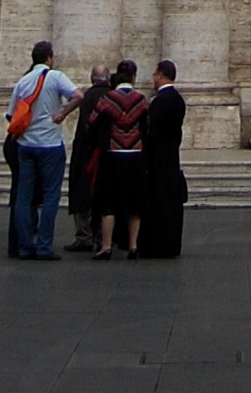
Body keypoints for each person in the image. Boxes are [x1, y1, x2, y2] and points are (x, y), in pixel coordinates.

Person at [7, 40, 83, 261]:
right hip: (50, 144)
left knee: (24, 196)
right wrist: (62, 114)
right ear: (49, 58)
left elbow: (11, 115)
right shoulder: (55, 76)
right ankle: (43, 247)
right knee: (50, 197)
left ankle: (24, 246)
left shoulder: (23, 81)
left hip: (26, 145)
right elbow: (78, 96)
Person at [92, 61, 148, 259]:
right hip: (135, 154)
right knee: (135, 202)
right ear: (133, 77)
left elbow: (93, 123)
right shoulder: (141, 100)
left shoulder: (107, 99)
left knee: (108, 201)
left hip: (113, 154)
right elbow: (146, 127)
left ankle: (106, 246)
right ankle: (133, 246)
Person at [135, 59, 188, 260]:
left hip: (157, 160)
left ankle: (156, 245)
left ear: (160, 75)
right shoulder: (178, 100)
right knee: (170, 204)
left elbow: (153, 132)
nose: (153, 79)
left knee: (157, 202)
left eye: (155, 75)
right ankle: (170, 244)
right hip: (171, 157)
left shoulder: (159, 101)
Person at [68, 65, 112, 250]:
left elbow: (86, 125)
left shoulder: (87, 96)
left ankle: (84, 235)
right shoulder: (112, 95)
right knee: (105, 193)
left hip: (85, 150)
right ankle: (103, 236)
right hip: (107, 150)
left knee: (81, 189)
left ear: (92, 79)